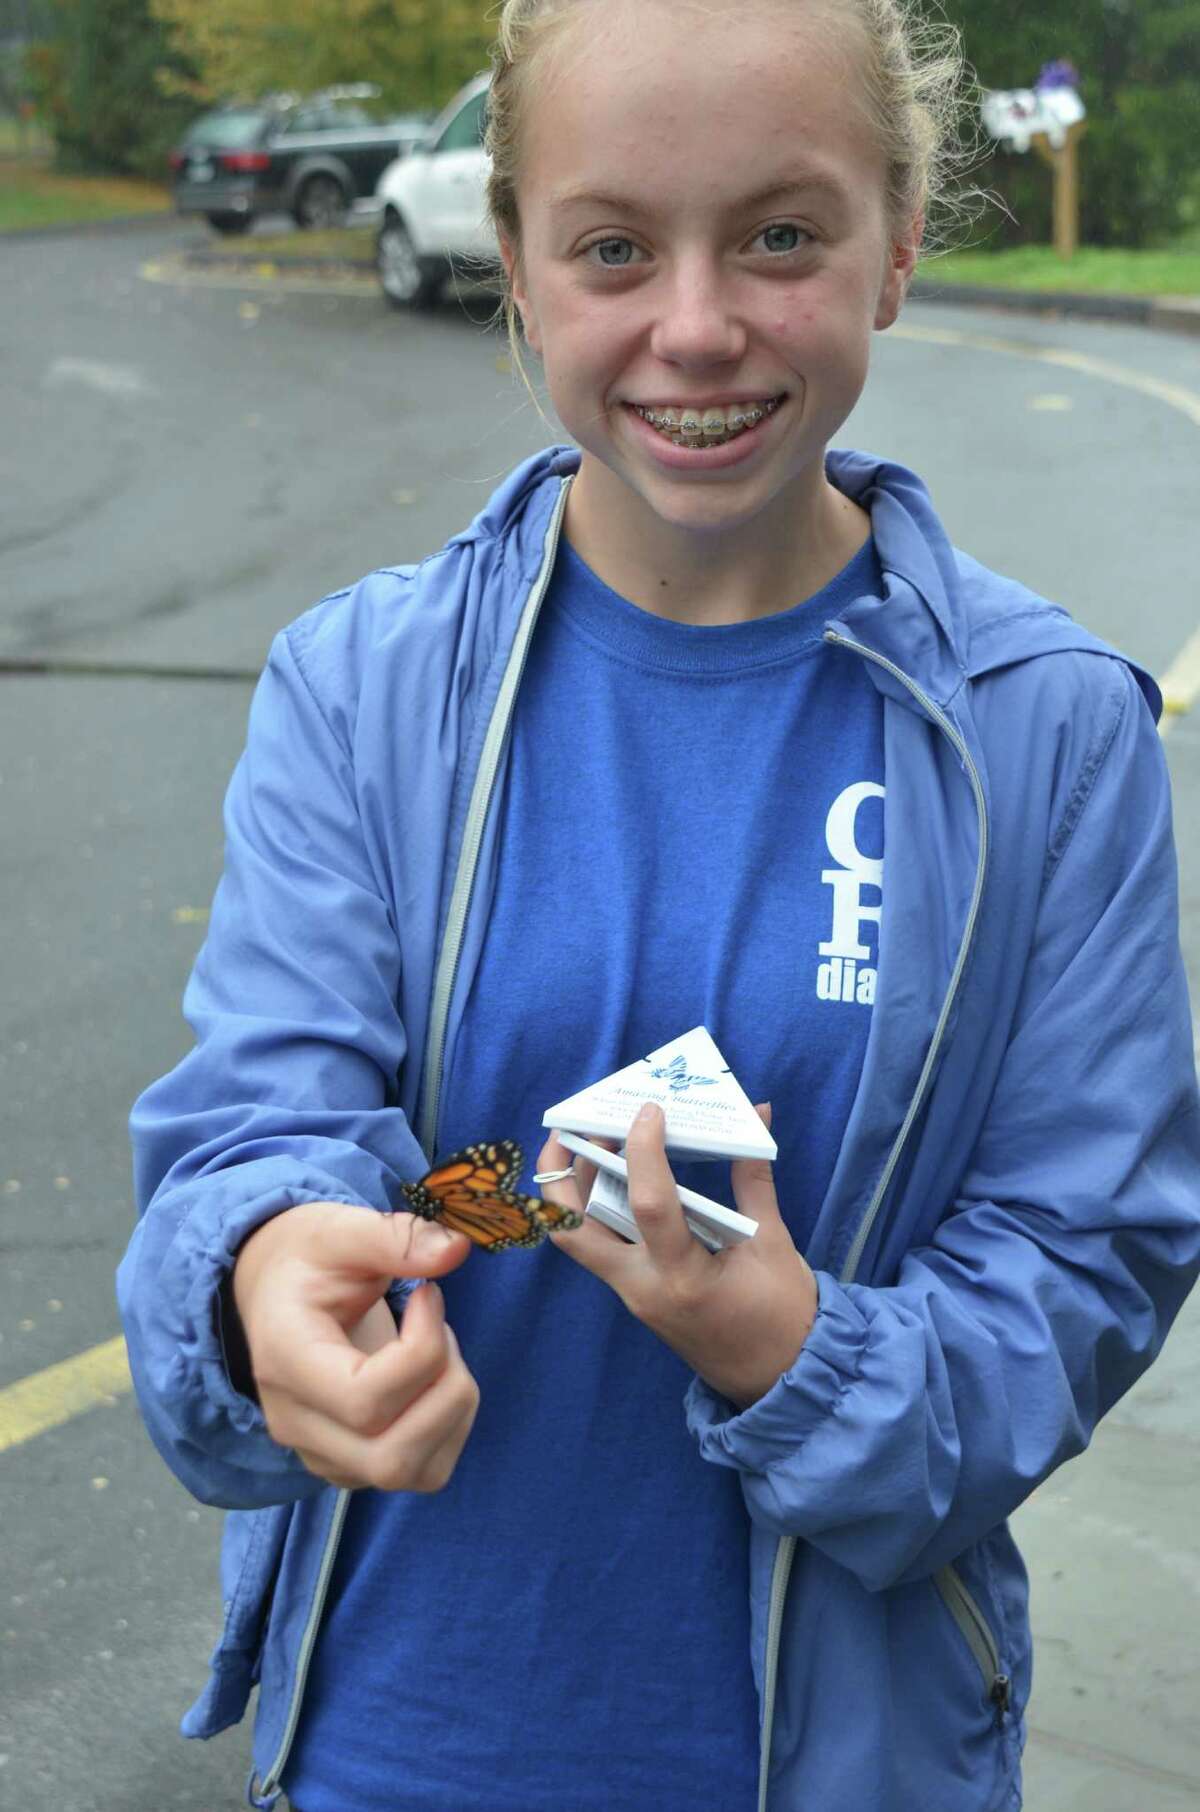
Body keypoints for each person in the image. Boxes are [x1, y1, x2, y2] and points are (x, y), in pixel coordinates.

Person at [117, 1, 1200, 1808]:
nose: (697, 325)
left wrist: (797, 1354)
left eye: (782, 234)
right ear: (521, 270)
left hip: (842, 1766)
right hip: (400, 1744)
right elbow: (257, 1125)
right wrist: (255, 1274)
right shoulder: (361, 686)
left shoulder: (1054, 732)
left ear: (900, 241)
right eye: (613, 247)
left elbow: (1088, 1253)